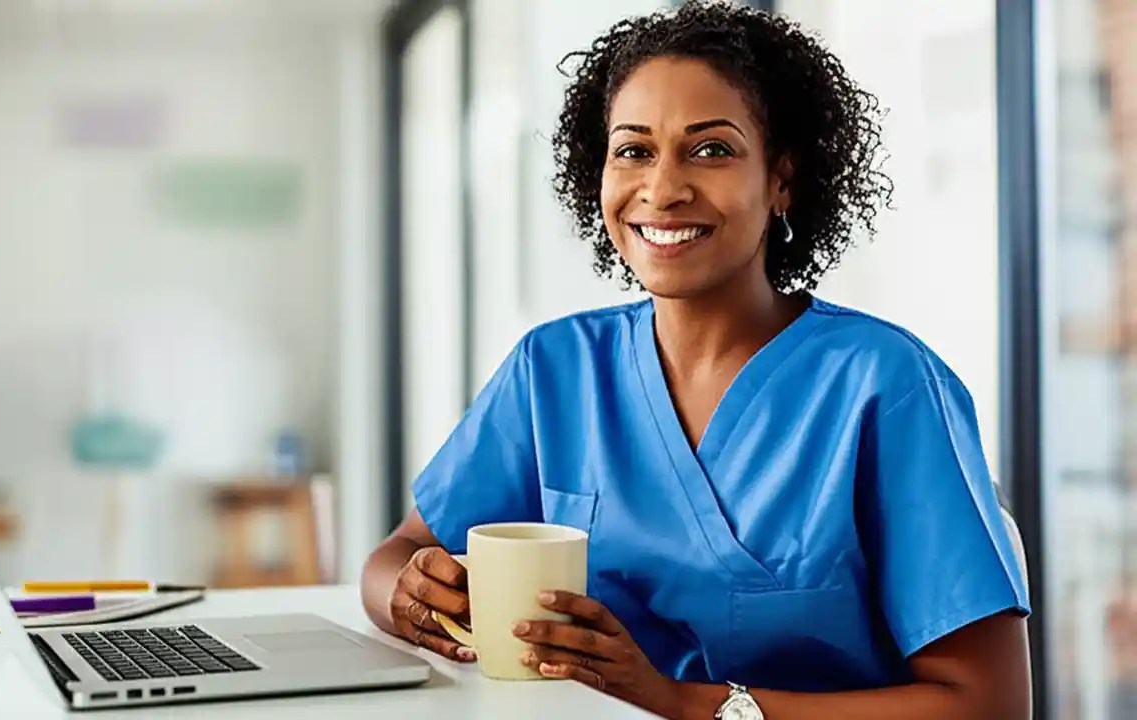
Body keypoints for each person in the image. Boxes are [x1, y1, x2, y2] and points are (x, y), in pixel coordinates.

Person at [360, 2, 1032, 718]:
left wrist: (690, 705)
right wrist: (410, 596)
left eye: (711, 149)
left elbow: (987, 703)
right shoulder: (554, 368)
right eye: (634, 150)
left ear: (781, 178)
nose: (663, 187)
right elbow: (395, 556)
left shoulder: (886, 386)